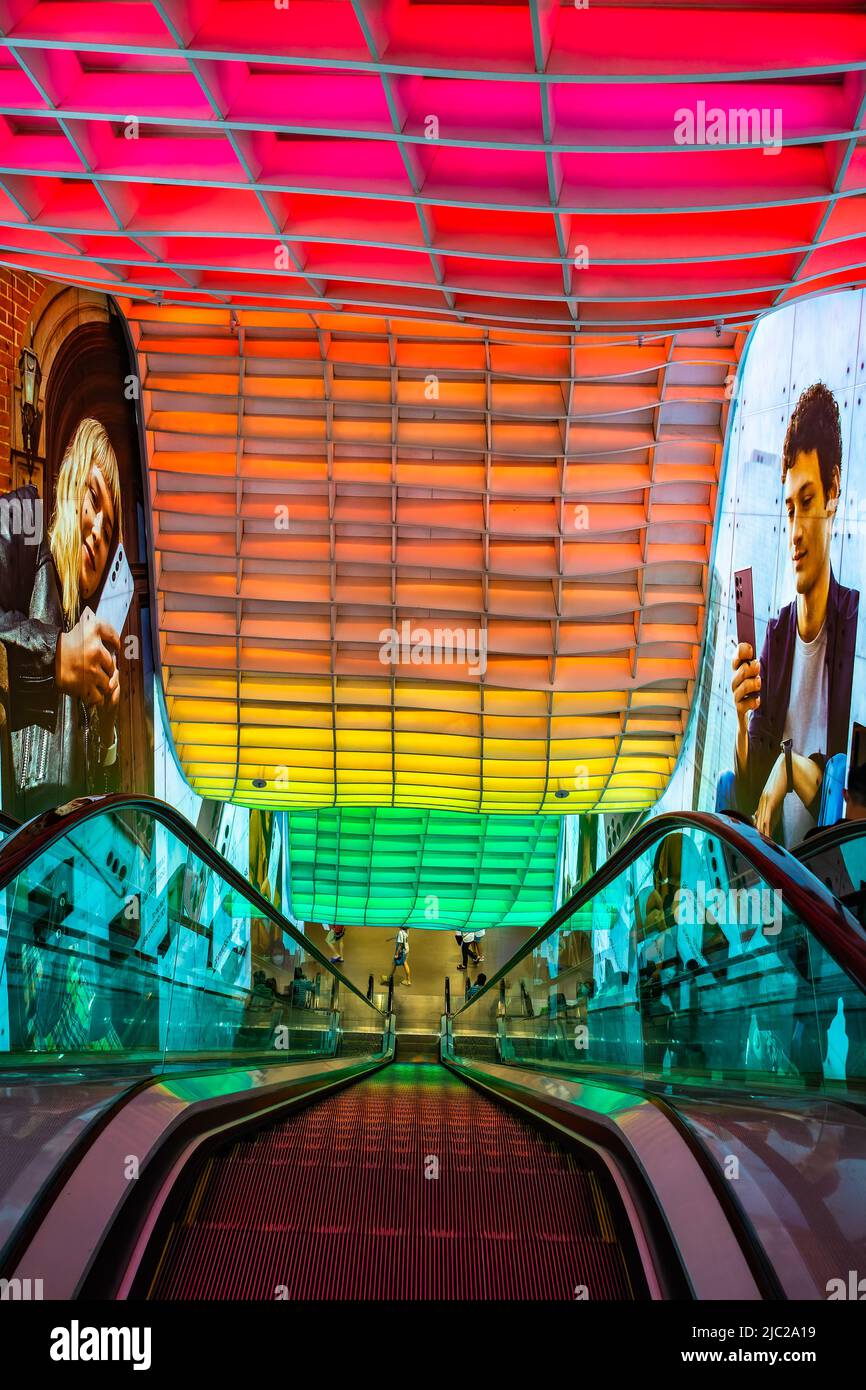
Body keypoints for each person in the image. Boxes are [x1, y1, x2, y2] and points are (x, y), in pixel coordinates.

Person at [731, 383, 859, 846]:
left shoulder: (852, 626)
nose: (795, 532)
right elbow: (745, 795)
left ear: (833, 493)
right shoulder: (777, 636)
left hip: (830, 887)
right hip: (776, 876)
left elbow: (851, 799)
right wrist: (743, 726)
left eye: (807, 502)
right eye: (789, 510)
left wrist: (791, 767)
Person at [0, 418, 123, 817]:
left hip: (54, 873)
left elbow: (101, 819)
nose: (97, 530)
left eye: (108, 538)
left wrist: (106, 733)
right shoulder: (24, 522)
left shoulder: (85, 635)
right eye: (93, 496)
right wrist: (54, 657)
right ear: (69, 475)